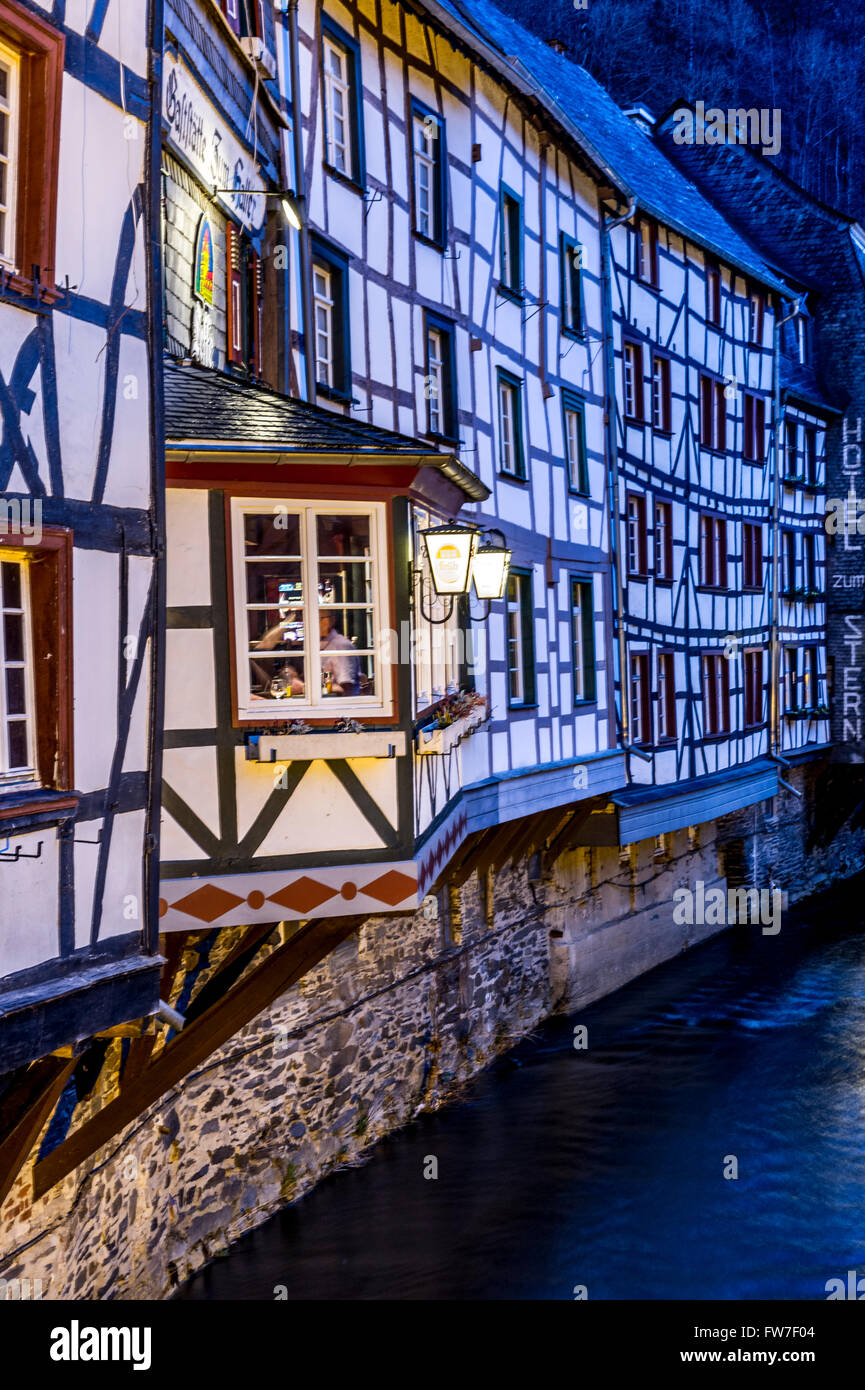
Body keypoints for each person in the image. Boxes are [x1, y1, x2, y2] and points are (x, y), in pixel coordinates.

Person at [319, 608, 360, 696]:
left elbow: (346, 688)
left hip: (339, 705)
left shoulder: (341, 646)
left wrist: (305, 687)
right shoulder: (318, 645)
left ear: (331, 621)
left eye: (319, 619)